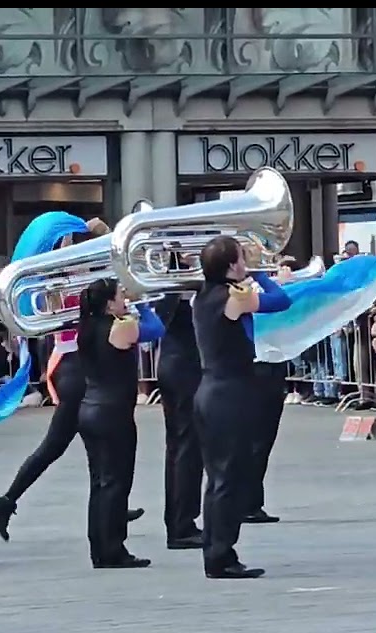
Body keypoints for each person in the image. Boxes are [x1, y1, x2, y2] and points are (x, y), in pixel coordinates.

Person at [0, 218, 144, 541]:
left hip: (74, 361)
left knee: (90, 445)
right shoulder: (65, 279)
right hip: (73, 363)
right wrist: (95, 235)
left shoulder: (76, 279)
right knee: (60, 445)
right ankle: (8, 500)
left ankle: (112, 505)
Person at [192, 237, 291, 579]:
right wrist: (263, 274)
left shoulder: (203, 295)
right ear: (232, 266)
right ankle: (220, 555)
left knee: (219, 477)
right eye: (242, 258)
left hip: (211, 390)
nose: (246, 262)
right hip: (228, 392)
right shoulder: (231, 296)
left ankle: (217, 550)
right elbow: (281, 300)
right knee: (227, 477)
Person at [75, 278, 165, 569]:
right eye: (120, 296)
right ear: (109, 303)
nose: (124, 299)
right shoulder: (120, 326)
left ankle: (98, 549)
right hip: (113, 413)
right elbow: (156, 329)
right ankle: (114, 548)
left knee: (99, 483)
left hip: (89, 408)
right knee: (117, 482)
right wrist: (142, 303)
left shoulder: (87, 327)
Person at [244, 258, 304, 525]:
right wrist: (261, 276)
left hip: (269, 365)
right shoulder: (243, 292)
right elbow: (280, 300)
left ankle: (250, 501)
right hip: (259, 367)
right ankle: (248, 503)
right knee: (257, 440)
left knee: (261, 441)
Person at [155, 287, 204, 550]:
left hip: (177, 364)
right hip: (182, 367)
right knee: (186, 447)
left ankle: (182, 521)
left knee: (182, 448)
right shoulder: (174, 294)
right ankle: (180, 524)